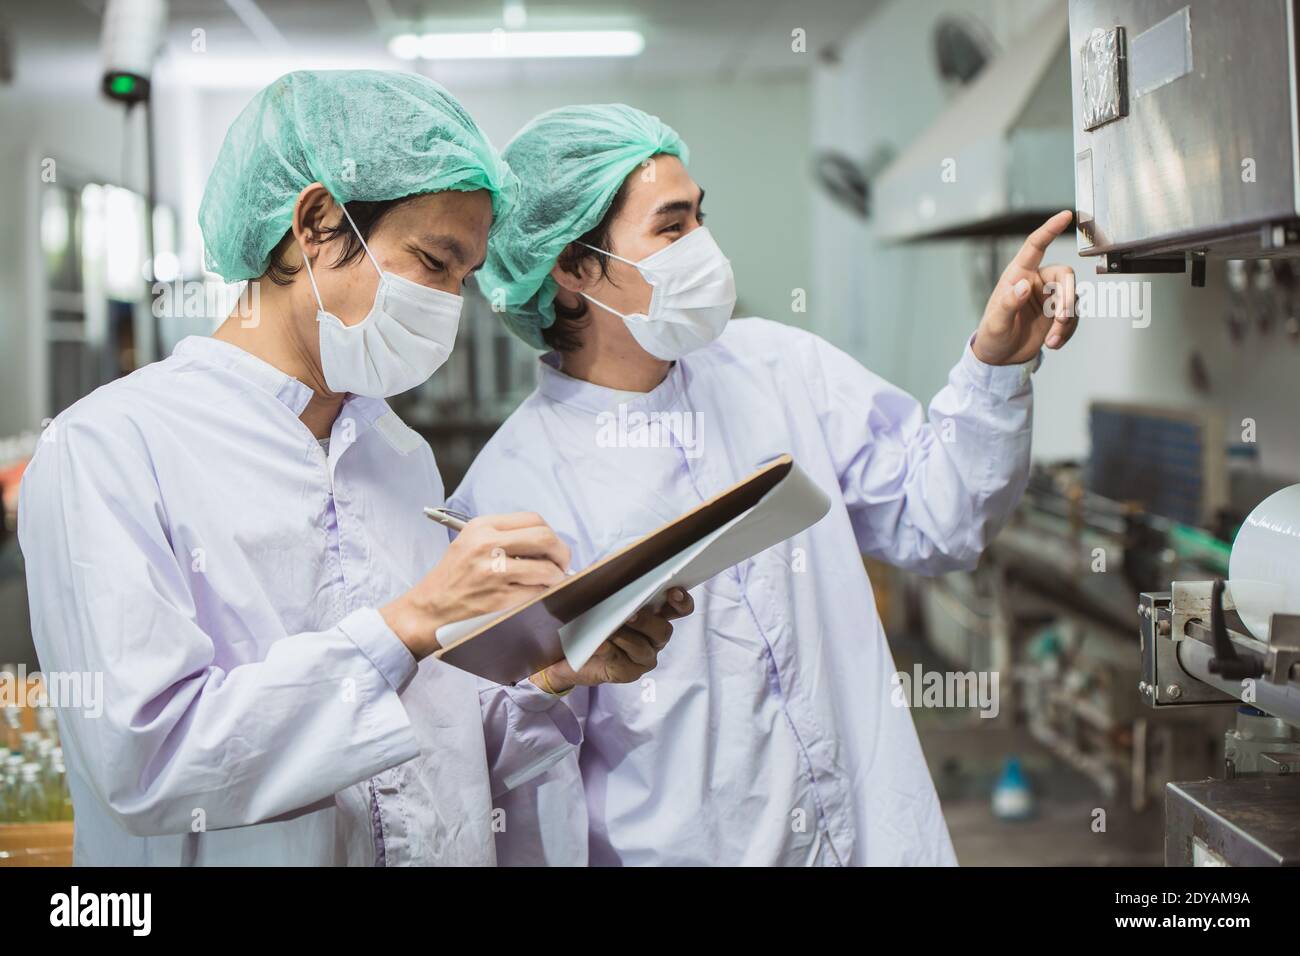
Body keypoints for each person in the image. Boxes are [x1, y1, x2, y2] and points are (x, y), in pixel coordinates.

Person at [18, 75, 688, 867]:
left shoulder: (398, 455)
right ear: (316, 224)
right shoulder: (111, 447)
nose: (451, 301)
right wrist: (409, 621)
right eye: (434, 262)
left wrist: (549, 673)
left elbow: (429, 751)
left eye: (466, 277)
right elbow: (147, 766)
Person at [453, 104, 1078, 865]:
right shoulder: (512, 489)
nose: (704, 247)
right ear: (576, 268)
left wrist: (994, 363)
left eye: (700, 217)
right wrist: (554, 676)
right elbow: (490, 756)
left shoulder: (779, 370)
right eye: (672, 227)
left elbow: (938, 519)